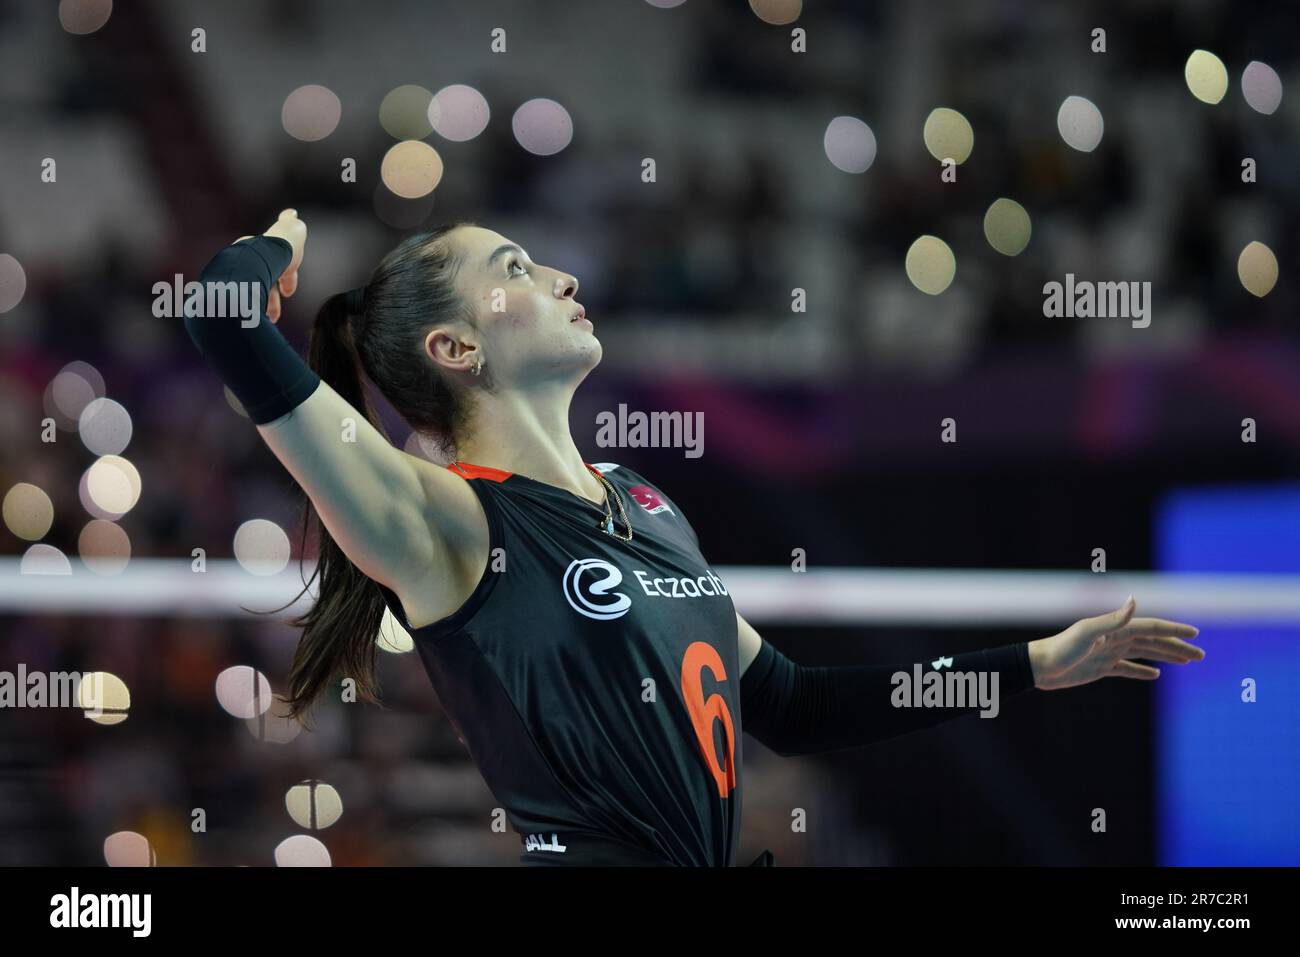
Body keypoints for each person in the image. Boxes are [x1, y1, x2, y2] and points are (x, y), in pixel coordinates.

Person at [184, 209, 1205, 866]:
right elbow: (224, 314)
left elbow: (792, 705)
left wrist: (1030, 663)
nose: (561, 276)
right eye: (518, 268)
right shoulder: (443, 516)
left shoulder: (643, 500)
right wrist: (277, 244)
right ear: (454, 348)